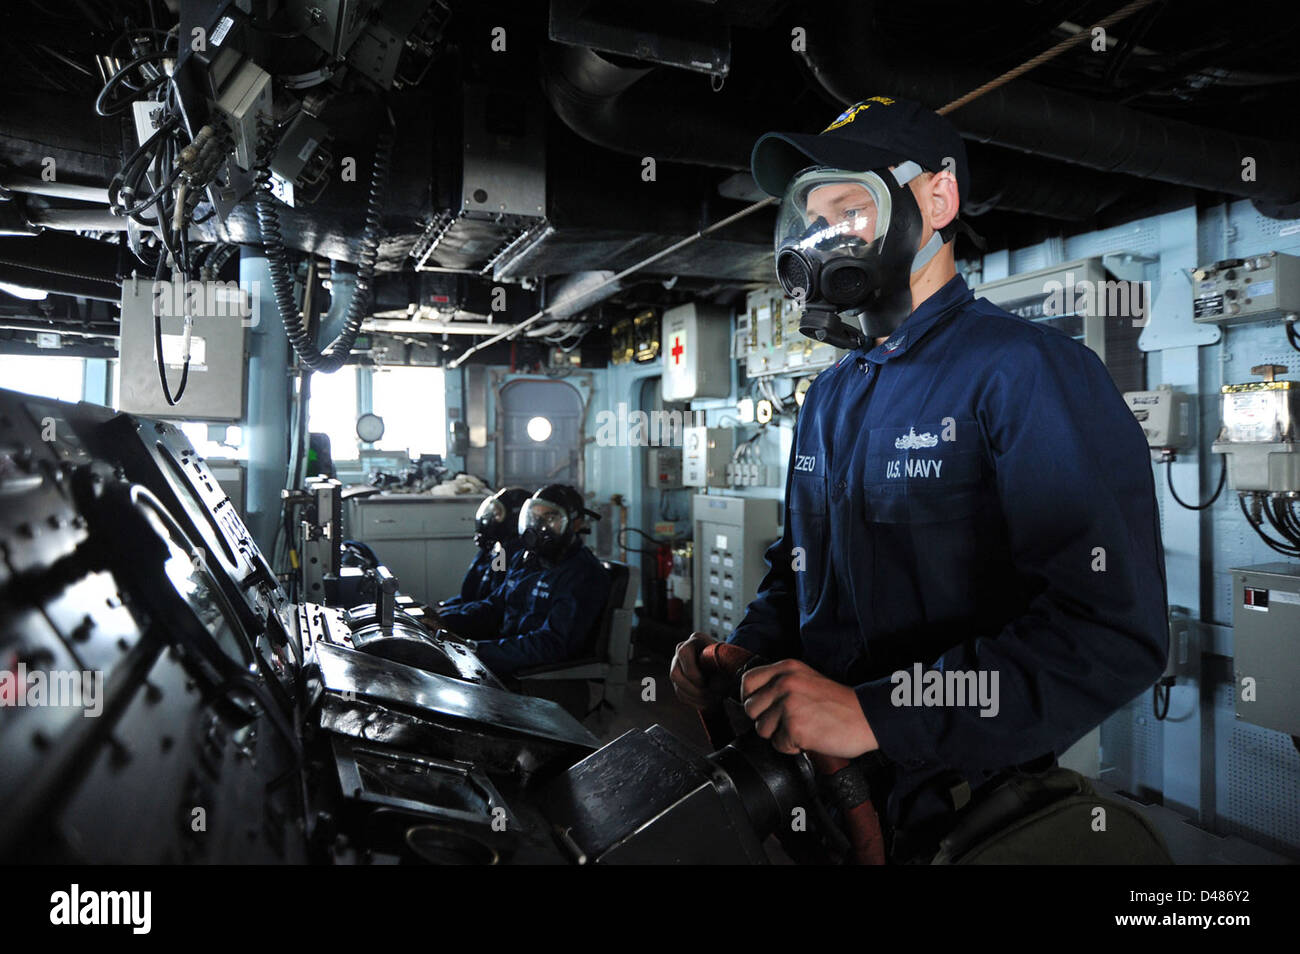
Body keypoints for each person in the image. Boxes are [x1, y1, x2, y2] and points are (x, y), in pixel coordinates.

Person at [669, 96, 1169, 860]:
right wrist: (745, 658)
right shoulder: (831, 396)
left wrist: (881, 713)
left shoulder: (1026, 372)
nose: (824, 234)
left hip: (966, 806)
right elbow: (799, 574)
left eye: (850, 206)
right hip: (832, 795)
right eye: (812, 215)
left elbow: (1110, 633)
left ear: (937, 198)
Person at [438, 484, 611, 679]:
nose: (539, 525)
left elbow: (552, 644)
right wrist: (443, 621)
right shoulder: (525, 559)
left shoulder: (583, 574)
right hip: (508, 661)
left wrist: (475, 649)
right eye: (535, 517)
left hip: (541, 678)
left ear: (576, 524)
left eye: (550, 518)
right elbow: (494, 607)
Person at [438, 486, 531, 614]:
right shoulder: (493, 550)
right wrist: (446, 609)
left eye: (497, 514)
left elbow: (494, 605)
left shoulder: (512, 555)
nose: (490, 518)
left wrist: (450, 616)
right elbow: (471, 596)